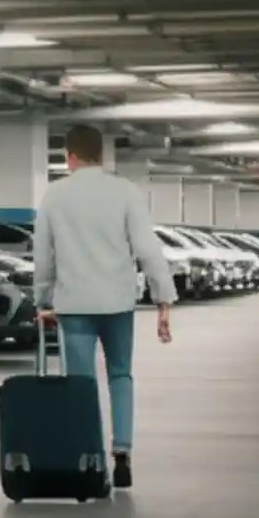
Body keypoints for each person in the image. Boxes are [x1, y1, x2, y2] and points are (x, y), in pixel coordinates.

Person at [33, 124, 176, 489]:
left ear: (71, 156)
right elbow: (147, 248)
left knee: (80, 384)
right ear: (101, 154)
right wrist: (163, 299)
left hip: (74, 303)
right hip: (117, 302)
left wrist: (43, 300)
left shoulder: (54, 195)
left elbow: (44, 257)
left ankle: (89, 458)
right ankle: (123, 453)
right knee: (120, 376)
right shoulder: (125, 192)